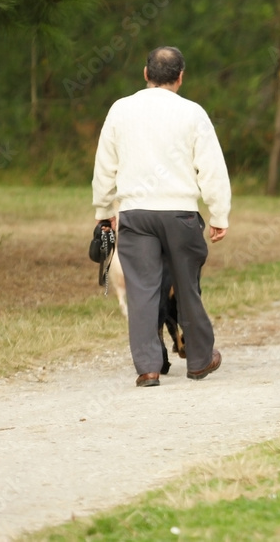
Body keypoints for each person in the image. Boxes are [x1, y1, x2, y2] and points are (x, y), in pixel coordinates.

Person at [92, 46, 231, 387]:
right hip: (180, 213)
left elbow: (104, 165)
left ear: (145, 74)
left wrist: (104, 211)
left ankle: (148, 368)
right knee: (187, 287)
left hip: (135, 214)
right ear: (181, 77)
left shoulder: (120, 110)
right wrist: (219, 213)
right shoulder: (193, 113)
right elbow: (211, 167)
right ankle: (199, 361)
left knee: (141, 290)